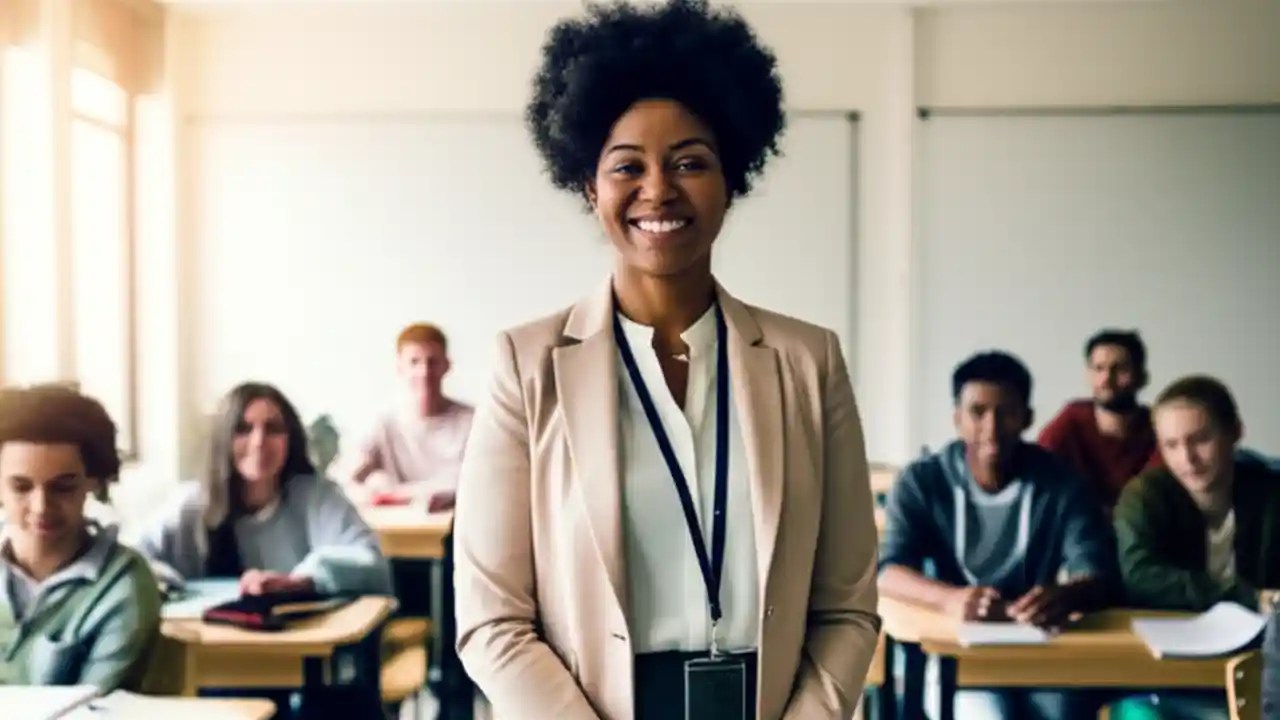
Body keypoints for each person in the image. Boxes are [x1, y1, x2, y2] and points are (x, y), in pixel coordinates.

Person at [451, 2, 881, 718]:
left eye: (690, 162)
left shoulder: (810, 363)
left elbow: (847, 607)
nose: (659, 189)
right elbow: (492, 620)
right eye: (628, 166)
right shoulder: (527, 369)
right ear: (590, 186)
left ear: (731, 180)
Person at [878, 351, 1116, 720]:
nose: (991, 427)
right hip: (956, 652)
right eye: (977, 412)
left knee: (1062, 711)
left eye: (1006, 412)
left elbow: (1096, 571)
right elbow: (887, 570)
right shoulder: (924, 482)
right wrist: (950, 599)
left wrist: (1068, 595)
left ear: (1028, 417)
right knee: (987, 714)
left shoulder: (1062, 484)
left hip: (1042, 651)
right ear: (957, 418)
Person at [1110, 376, 1280, 720]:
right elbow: (1140, 576)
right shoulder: (1143, 496)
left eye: (1200, 439)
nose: (1187, 457)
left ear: (1235, 432)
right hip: (1164, 659)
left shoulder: (1271, 492)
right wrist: (1249, 597)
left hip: (1260, 656)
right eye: (1170, 445)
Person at [136, 382, 391, 598]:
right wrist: (169, 583)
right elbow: (132, 559)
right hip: (209, 649)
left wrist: (302, 580)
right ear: (223, 439)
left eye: (273, 429)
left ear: (290, 439)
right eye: (244, 430)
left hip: (301, 649)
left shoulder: (316, 495)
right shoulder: (190, 505)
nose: (259, 442)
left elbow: (371, 563)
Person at [0, 385, 160, 689]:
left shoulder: (123, 586)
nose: (41, 507)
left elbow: (95, 709)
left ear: (94, 481)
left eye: (63, 487)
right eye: (21, 487)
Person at [346, 324, 473, 513]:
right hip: (401, 532)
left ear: (447, 365)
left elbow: (480, 484)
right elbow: (345, 481)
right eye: (414, 362)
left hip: (457, 530)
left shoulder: (473, 422)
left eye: (432, 362)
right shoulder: (384, 425)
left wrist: (397, 494)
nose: (424, 371)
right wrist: (371, 490)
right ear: (399, 367)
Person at [1038, 330, 1159, 508]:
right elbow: (1038, 472)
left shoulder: (1158, 426)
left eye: (1120, 369)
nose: (1106, 379)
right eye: (1099, 368)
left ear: (1142, 377)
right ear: (1088, 375)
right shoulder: (1071, 420)